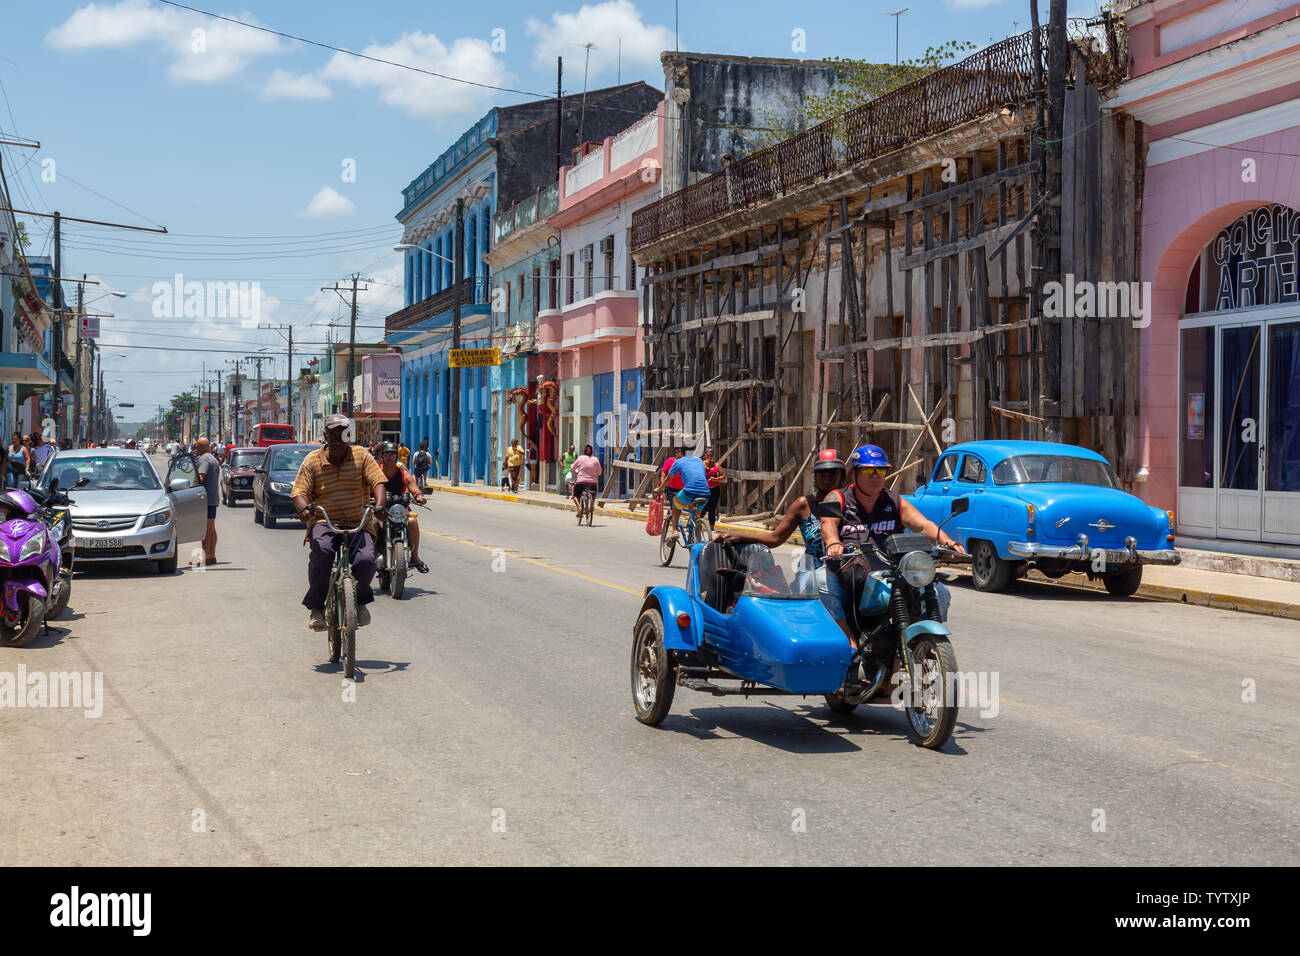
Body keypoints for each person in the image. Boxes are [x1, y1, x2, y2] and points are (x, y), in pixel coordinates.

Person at [819, 444, 965, 644]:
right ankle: (850, 641)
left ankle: (924, 641)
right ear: (855, 473)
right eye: (869, 470)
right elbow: (828, 524)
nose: (876, 475)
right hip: (851, 569)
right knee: (819, 581)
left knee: (940, 592)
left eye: (881, 470)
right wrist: (834, 543)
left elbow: (923, 525)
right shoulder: (838, 497)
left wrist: (947, 542)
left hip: (892, 569)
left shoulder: (894, 501)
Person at [718, 448, 849, 629]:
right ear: (815, 476)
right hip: (812, 573)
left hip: (847, 571)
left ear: (842, 476)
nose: (827, 477)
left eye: (833, 473)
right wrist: (741, 536)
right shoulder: (804, 505)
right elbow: (776, 538)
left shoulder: (851, 503)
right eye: (822, 473)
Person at [290, 414, 388, 631]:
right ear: (325, 435)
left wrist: (380, 506)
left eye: (342, 434)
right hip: (324, 521)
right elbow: (299, 491)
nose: (337, 439)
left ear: (348, 435)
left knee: (365, 561)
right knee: (322, 552)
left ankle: (360, 602)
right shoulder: (312, 460)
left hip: (357, 520)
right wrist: (304, 509)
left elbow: (378, 481)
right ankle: (316, 608)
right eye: (332, 434)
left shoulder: (361, 456)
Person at [377, 441, 429, 574]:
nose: (390, 457)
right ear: (382, 456)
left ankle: (415, 557)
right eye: (387, 454)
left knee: (412, 521)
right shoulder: (376, 471)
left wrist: (419, 495)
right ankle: (370, 555)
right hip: (380, 509)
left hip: (399, 509)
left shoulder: (403, 472)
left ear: (396, 456)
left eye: (392, 454)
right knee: (371, 523)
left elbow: (413, 486)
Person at [654, 452, 711, 543]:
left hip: (689, 491)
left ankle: (674, 531)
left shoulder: (678, 462)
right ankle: (698, 543)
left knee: (675, 505)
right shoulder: (699, 461)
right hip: (705, 493)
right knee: (696, 517)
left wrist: (660, 488)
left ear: (681, 453)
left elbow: (668, 478)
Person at [194, 437, 221, 565]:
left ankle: (203, 557)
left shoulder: (203, 458)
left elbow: (201, 476)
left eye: (197, 446)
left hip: (205, 499)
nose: (196, 448)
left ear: (201, 447)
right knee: (211, 527)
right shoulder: (213, 458)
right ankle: (211, 555)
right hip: (213, 498)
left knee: (206, 529)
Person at [570, 444, 602, 513]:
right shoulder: (595, 459)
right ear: (592, 452)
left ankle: (579, 507)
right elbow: (599, 472)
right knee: (594, 491)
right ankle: (592, 504)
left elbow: (572, 468)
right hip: (592, 482)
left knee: (575, 495)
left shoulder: (580, 458)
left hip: (581, 482)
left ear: (584, 451)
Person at [702, 447, 725, 526]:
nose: (709, 457)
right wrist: (706, 464)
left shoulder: (717, 465)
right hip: (705, 490)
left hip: (715, 489)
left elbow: (723, 476)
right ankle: (697, 524)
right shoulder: (702, 464)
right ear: (705, 456)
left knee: (712, 509)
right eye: (707, 456)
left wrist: (715, 479)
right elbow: (702, 471)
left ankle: (712, 527)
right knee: (703, 508)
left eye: (711, 456)